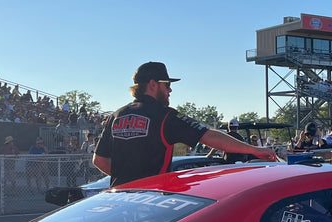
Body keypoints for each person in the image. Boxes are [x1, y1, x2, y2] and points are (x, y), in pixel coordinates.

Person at [93, 62, 277, 186]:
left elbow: (99, 160)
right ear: (153, 84)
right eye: (166, 84)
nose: (170, 89)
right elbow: (209, 136)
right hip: (149, 204)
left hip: (117, 202)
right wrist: (255, 150)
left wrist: (130, 181)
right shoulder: (165, 116)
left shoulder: (116, 116)